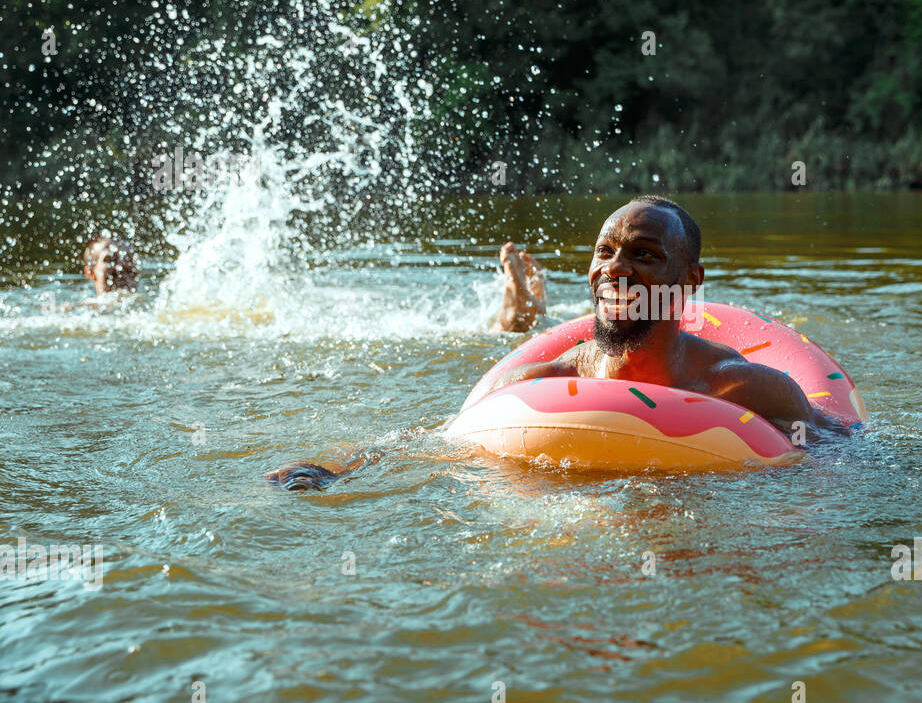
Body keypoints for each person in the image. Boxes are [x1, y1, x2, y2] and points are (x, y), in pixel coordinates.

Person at [266, 196, 844, 490]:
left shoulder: (740, 386)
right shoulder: (548, 380)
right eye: (604, 252)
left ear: (691, 279)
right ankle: (518, 311)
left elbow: (843, 457)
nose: (615, 269)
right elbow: (439, 439)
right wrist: (337, 470)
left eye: (644, 255)